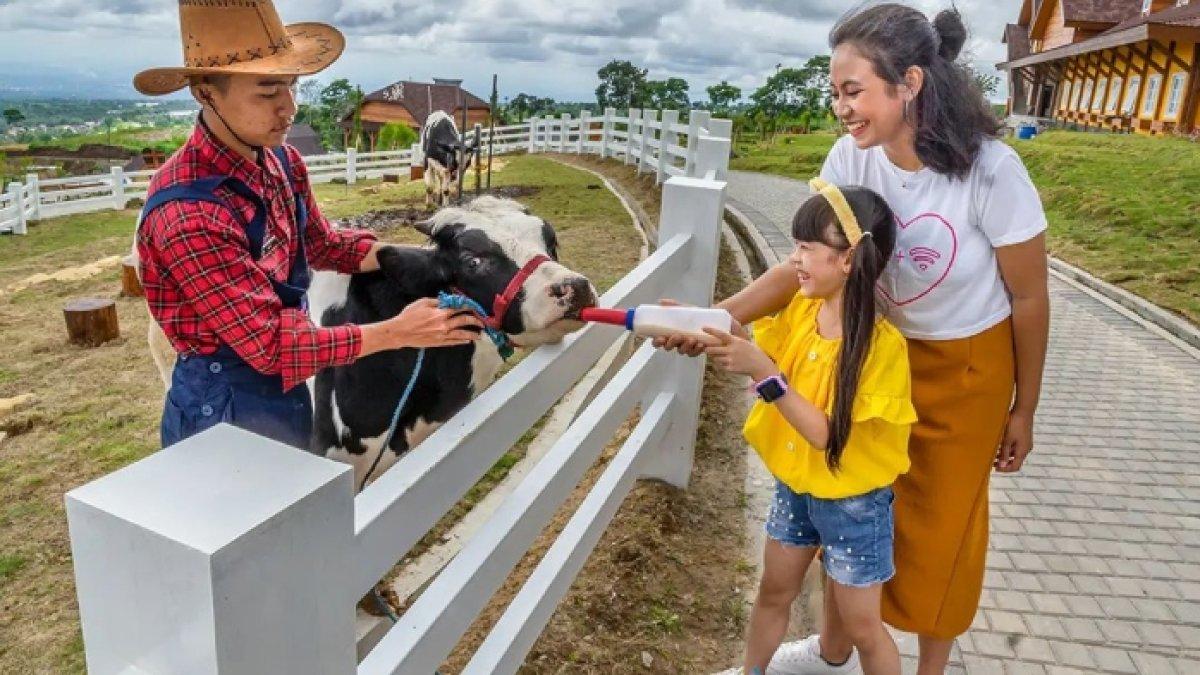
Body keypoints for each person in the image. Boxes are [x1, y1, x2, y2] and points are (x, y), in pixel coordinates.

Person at [663, 5, 1050, 674]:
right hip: (874, 357)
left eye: (853, 90)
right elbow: (805, 263)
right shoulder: (851, 157)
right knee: (850, 503)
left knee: (940, 530)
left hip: (965, 372)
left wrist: (1024, 407)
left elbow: (1029, 297)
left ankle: (929, 667)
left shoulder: (991, 170)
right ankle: (833, 651)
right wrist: (719, 314)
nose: (841, 107)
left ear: (909, 82)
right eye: (834, 91)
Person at [134, 0, 481, 450]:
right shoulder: (188, 212)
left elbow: (321, 244)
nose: (290, 107)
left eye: (291, 87)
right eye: (267, 92)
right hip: (220, 401)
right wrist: (397, 331)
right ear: (206, 92)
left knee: (294, 508)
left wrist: (418, 260)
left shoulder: (281, 160)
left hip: (285, 385)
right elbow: (270, 346)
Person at [710, 181, 914, 675]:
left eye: (806, 247)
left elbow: (827, 436)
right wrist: (713, 325)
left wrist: (761, 370)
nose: (793, 258)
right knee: (773, 591)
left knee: (863, 626)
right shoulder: (804, 309)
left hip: (855, 505)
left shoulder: (880, 348)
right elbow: (775, 357)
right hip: (796, 486)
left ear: (848, 261)